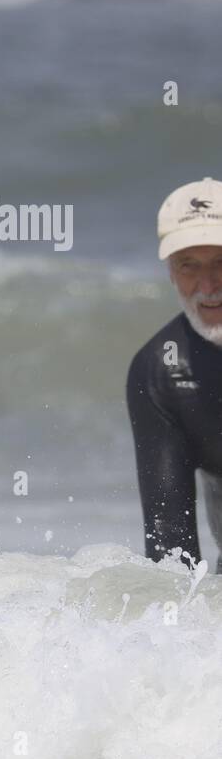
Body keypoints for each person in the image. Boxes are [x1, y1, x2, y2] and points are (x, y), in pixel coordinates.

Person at [127, 177, 222, 570]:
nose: (209, 286)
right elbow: (172, 559)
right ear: (169, 272)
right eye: (189, 266)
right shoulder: (161, 374)